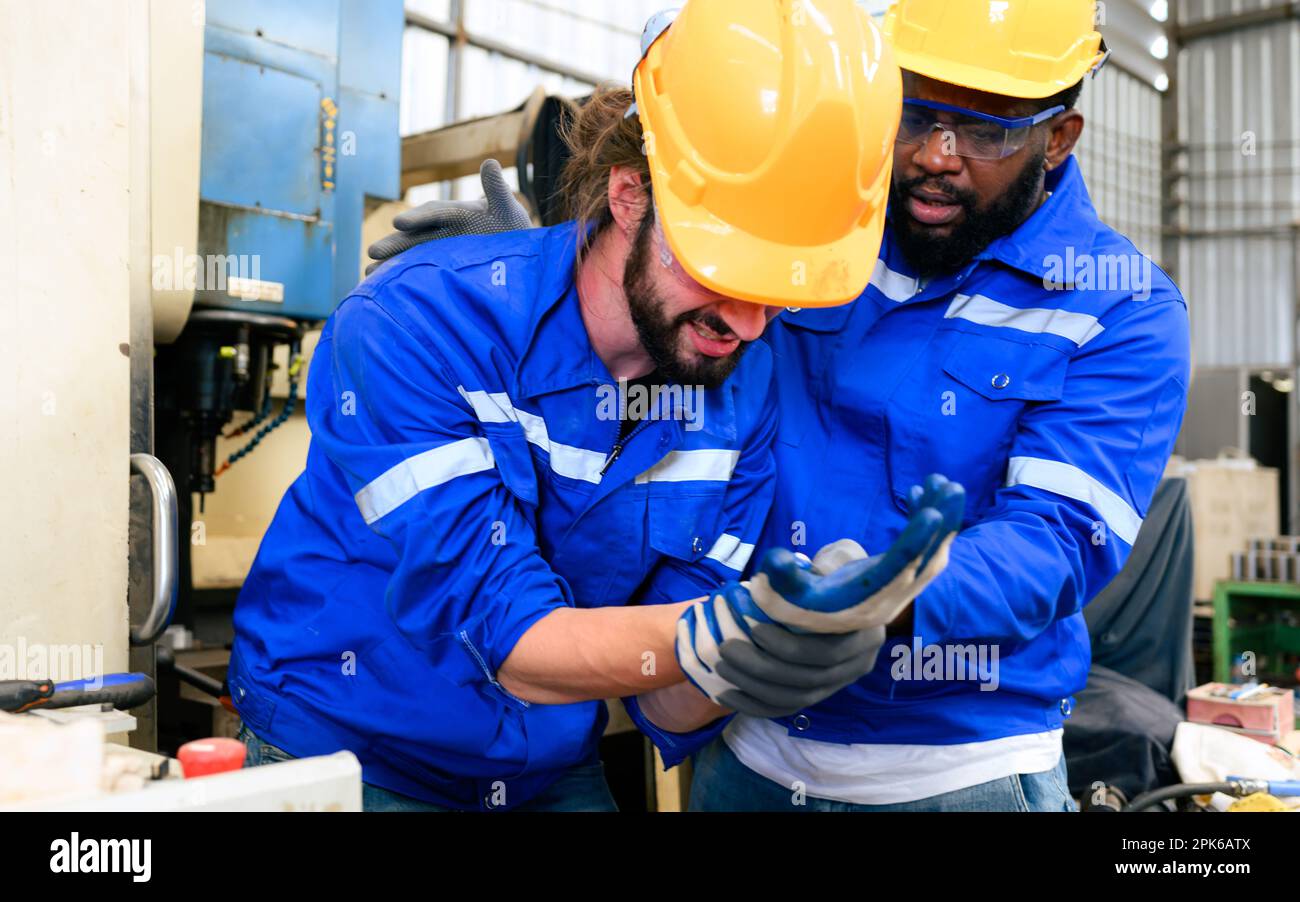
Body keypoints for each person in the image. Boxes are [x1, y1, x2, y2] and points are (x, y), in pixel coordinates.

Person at [373, 0, 1191, 812]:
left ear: (1058, 137)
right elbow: (677, 291)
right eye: (915, 113)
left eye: (987, 131)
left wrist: (879, 598)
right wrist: (544, 278)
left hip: (957, 773)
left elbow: (1055, 542)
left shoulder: (1120, 309)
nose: (937, 157)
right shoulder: (812, 221)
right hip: (749, 748)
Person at [231, 0, 952, 812]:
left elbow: (662, 701)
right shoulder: (416, 324)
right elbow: (515, 640)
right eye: (724, 270)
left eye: (777, 293)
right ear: (630, 196)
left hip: (544, 762)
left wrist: (768, 657)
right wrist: (719, 628)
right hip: (348, 752)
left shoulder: (742, 391)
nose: (750, 325)